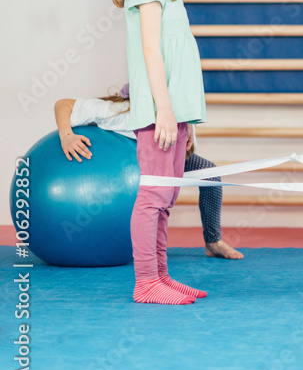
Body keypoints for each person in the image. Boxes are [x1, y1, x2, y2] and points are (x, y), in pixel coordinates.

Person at [112, 0, 208, 305]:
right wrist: (165, 110)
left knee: (167, 196)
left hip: (171, 113)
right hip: (157, 113)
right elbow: (152, 50)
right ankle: (146, 281)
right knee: (153, 194)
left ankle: (161, 277)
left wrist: (182, 118)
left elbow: (175, 56)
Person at [54, 86, 243, 260]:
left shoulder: (180, 118)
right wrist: (66, 135)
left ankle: (213, 241)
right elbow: (63, 104)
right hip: (127, 167)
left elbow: (184, 152)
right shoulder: (118, 112)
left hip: (159, 159)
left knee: (209, 175)